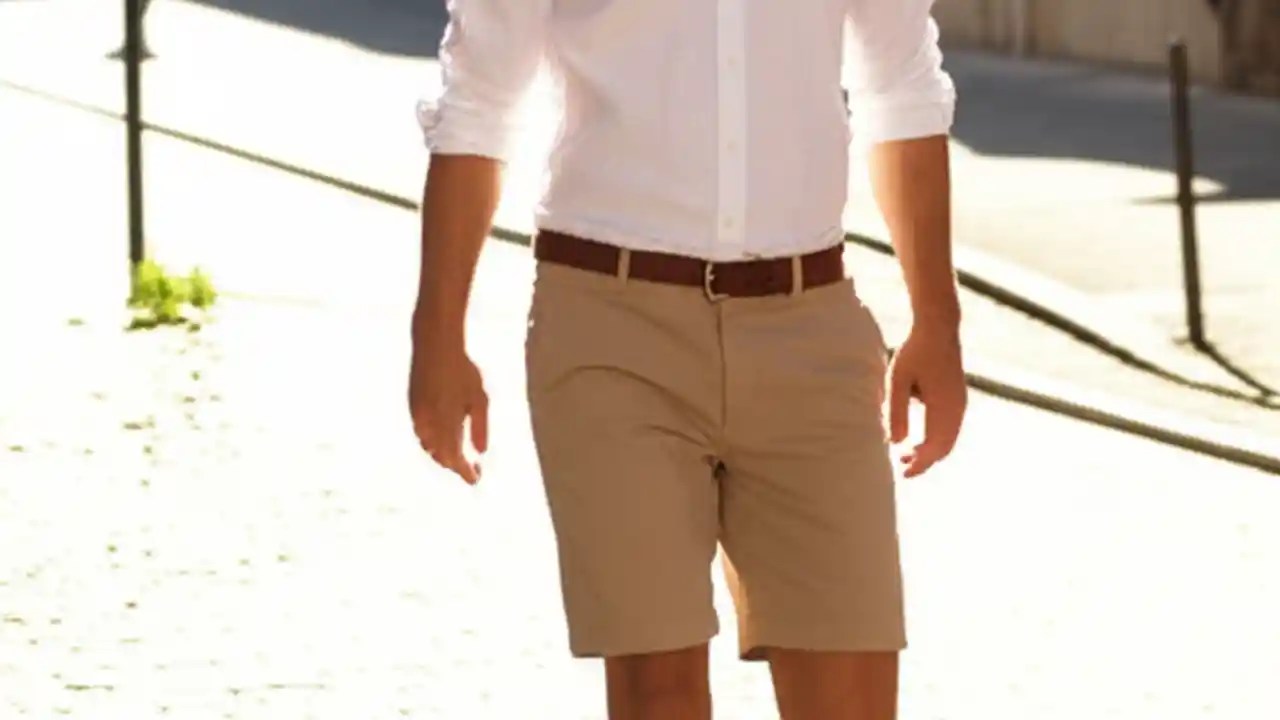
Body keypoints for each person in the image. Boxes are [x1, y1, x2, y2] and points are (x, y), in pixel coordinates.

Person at [408, 1, 967, 718]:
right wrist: (438, 334)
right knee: (658, 690)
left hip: (811, 325)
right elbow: (479, 101)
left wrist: (937, 321)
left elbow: (903, 85)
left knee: (853, 691)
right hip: (609, 330)